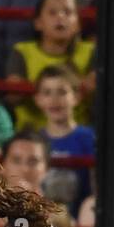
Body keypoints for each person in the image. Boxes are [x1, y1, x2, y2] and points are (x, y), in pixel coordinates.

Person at [5, 0, 95, 131]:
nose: (60, 17)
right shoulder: (22, 51)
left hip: (77, 134)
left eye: (68, 12)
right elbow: (13, 95)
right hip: (30, 135)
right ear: (38, 23)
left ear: (77, 23)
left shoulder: (91, 51)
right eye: (52, 13)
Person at [34, 66, 96, 212]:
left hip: (80, 220)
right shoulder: (34, 141)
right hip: (41, 220)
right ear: (38, 99)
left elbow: (97, 190)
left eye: (62, 92)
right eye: (47, 93)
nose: (54, 100)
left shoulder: (90, 138)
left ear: (76, 97)